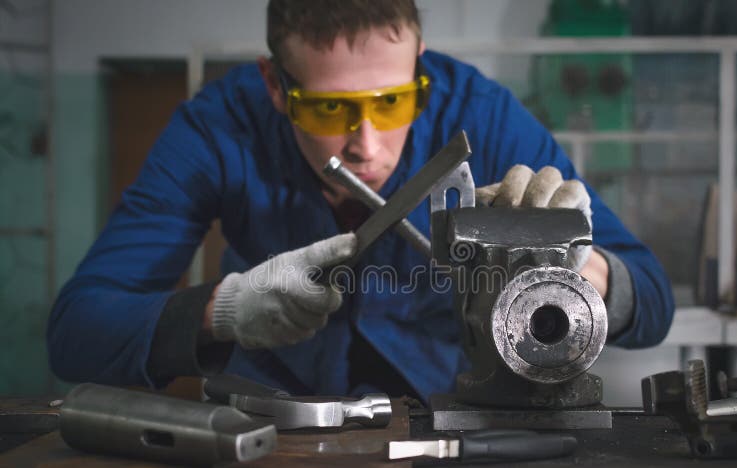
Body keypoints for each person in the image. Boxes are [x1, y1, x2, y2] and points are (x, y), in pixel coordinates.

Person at [47, 0, 674, 401]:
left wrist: (573, 264)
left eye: (392, 102)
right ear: (274, 84)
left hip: (444, 414)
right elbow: (76, 332)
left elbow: (652, 301)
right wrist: (223, 311)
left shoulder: (480, 114)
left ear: (419, 64)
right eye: (328, 109)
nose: (366, 145)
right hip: (272, 420)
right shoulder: (218, 127)